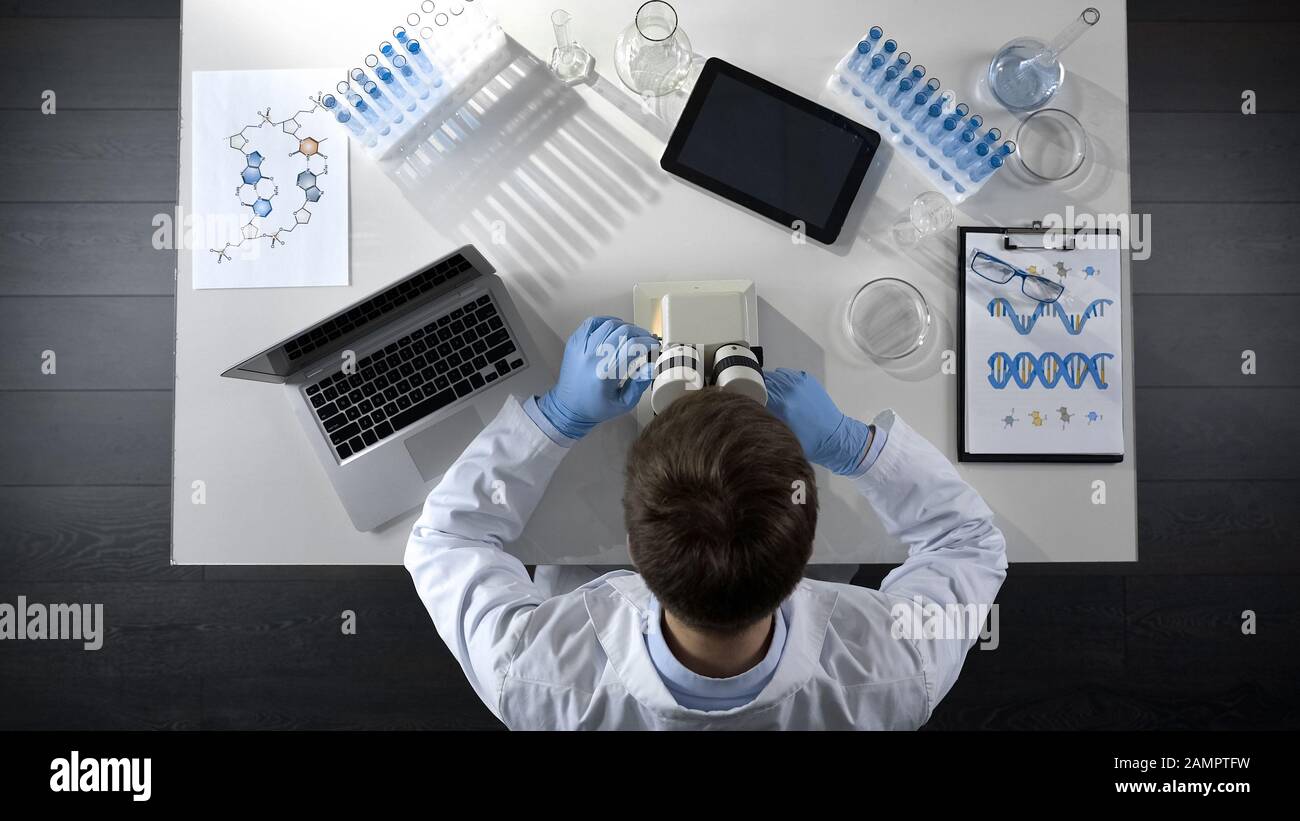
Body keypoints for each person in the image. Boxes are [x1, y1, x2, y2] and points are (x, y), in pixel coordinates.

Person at [405, 316, 1007, 729]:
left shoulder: (531, 678)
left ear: (634, 557)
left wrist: (558, 416)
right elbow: (968, 544)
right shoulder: (897, 672)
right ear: (806, 551)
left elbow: (445, 539)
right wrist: (856, 447)